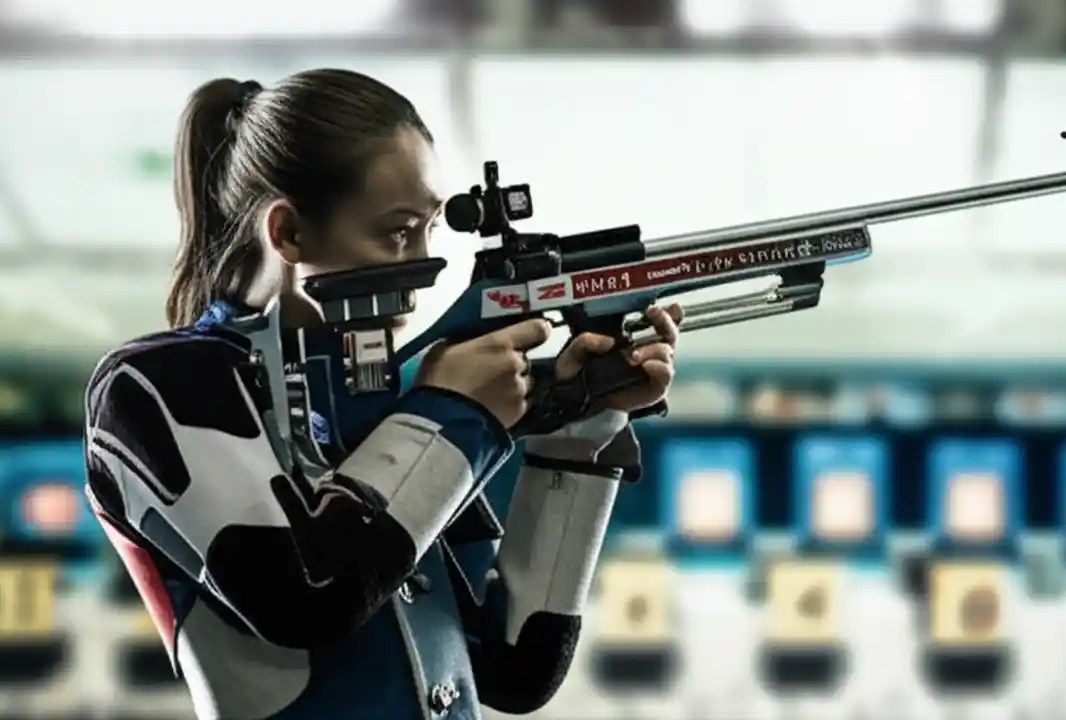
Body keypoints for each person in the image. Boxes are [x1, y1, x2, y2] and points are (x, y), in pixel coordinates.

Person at [83, 69, 681, 720]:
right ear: (289, 233)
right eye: (398, 232)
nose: (421, 265)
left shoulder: (389, 396)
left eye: (430, 229)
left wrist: (579, 429)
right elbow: (307, 597)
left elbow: (514, 669)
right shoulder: (155, 388)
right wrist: (453, 414)